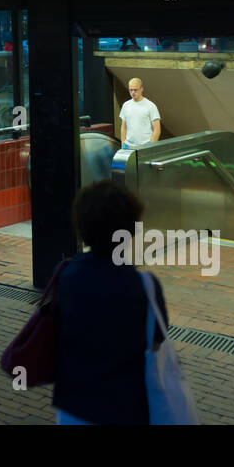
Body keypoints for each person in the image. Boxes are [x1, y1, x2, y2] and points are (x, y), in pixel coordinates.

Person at [53, 180, 169, 424]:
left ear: (81, 226)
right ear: (131, 231)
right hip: (126, 407)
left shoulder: (65, 275)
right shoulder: (145, 287)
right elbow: (156, 342)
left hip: (73, 405)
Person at [118, 78, 160, 148]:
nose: (133, 92)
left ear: (141, 89)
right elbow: (123, 127)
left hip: (145, 145)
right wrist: (123, 143)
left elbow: (157, 129)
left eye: (135, 90)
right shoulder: (126, 105)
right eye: (131, 90)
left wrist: (151, 146)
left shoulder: (150, 106)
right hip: (128, 146)